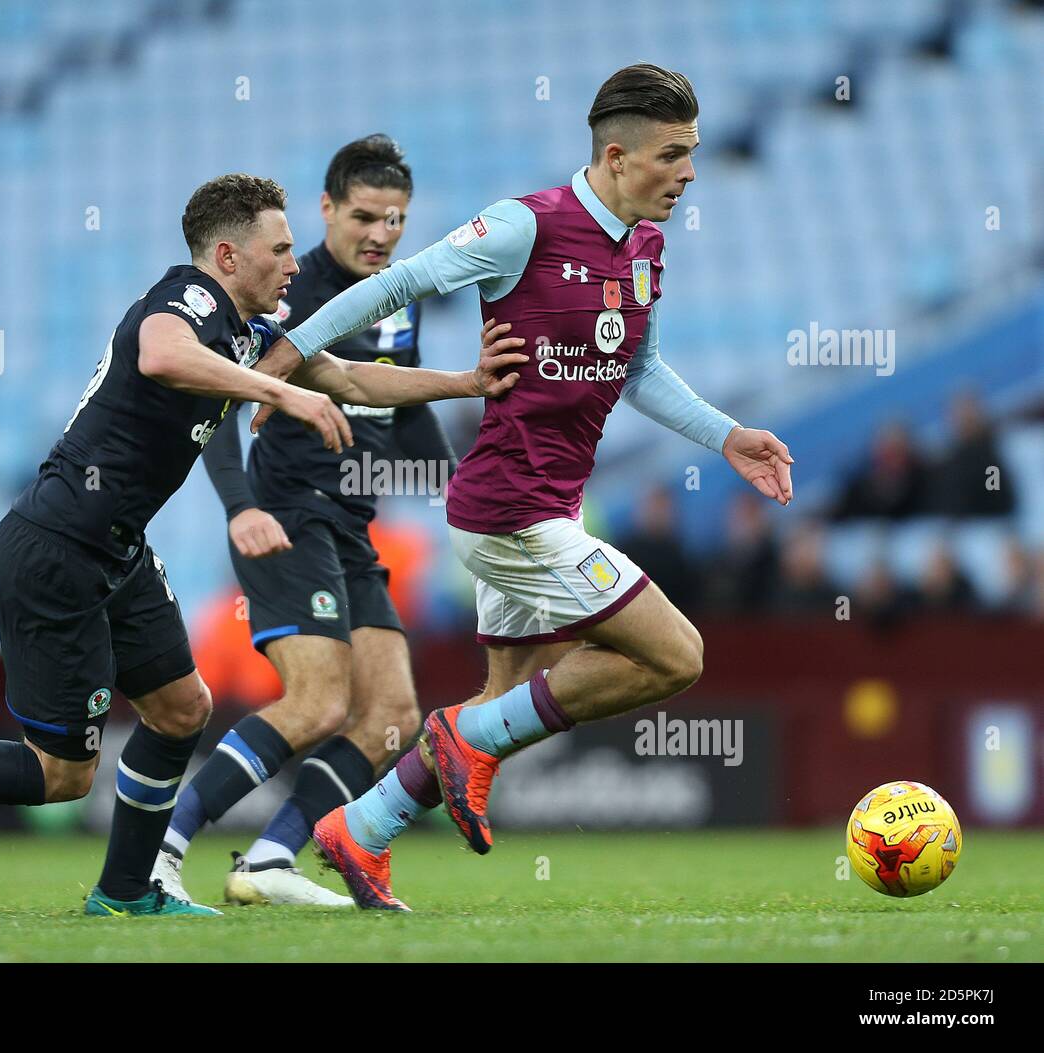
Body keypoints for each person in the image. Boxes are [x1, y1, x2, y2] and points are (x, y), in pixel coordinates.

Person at [0, 173, 521, 917]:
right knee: (62, 775)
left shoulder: (250, 330)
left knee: (181, 707)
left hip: (118, 548)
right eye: (282, 249)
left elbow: (351, 376)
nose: (296, 265)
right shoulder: (188, 299)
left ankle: (126, 890)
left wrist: (466, 381)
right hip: (57, 547)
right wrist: (280, 392)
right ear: (229, 257)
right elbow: (161, 356)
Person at [251, 63, 795, 910]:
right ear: (617, 156)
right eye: (676, 155)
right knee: (676, 655)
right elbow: (399, 282)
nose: (691, 173)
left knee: (507, 702)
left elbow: (639, 369)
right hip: (507, 513)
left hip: (549, 505)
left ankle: (361, 829)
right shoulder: (524, 227)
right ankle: (461, 737)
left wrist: (726, 435)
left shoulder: (646, 247)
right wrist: (289, 356)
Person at [152, 136, 459, 908]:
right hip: (287, 515)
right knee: (319, 701)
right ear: (326, 209)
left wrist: (467, 494)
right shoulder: (287, 295)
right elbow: (217, 398)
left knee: (391, 714)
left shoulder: (399, 293)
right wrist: (241, 505)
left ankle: (267, 859)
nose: (381, 234)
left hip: (352, 529)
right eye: (364, 216)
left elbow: (402, 406)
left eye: (395, 220)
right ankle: (162, 842)